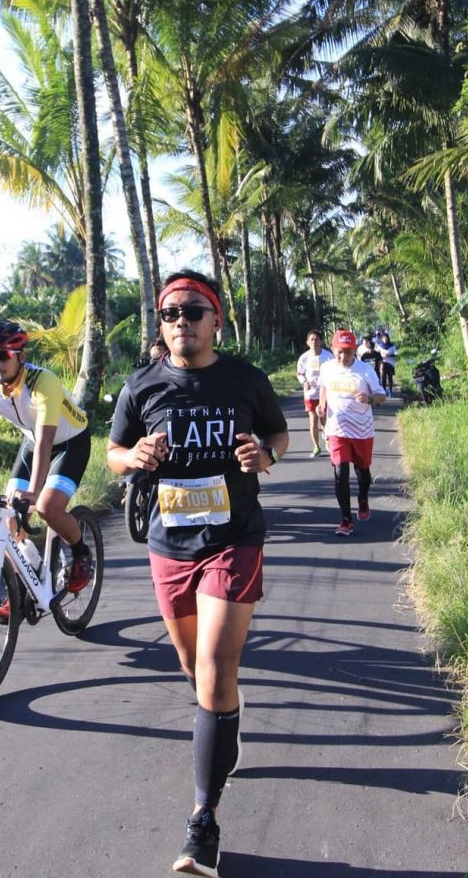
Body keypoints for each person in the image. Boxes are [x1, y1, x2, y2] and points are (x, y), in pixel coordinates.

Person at [107, 269, 288, 878]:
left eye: (192, 310)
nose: (180, 321)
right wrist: (132, 458)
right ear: (161, 325)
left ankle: (203, 821)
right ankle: (225, 725)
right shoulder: (141, 385)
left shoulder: (244, 379)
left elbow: (279, 433)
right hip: (170, 546)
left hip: (233, 539)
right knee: (194, 670)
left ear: (215, 319)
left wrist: (266, 455)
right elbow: (114, 453)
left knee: (213, 666)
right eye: (169, 313)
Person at [0, 320, 93, 598]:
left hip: (69, 442)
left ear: (21, 357)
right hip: (33, 442)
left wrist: (34, 492)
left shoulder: (43, 381)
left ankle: (81, 552)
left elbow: (47, 440)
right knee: (6, 514)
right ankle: (26, 584)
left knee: (48, 507)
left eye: (2, 355)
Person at [318, 329, 386, 536]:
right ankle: (346, 519)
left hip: (362, 430)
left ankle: (363, 497)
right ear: (332, 349)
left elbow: (381, 395)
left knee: (362, 471)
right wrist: (321, 407)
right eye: (339, 351)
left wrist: (370, 399)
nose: (343, 356)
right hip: (337, 429)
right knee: (340, 473)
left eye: (348, 352)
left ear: (354, 350)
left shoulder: (365, 370)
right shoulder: (327, 368)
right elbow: (323, 388)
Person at [296, 329, 334, 457]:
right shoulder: (304, 358)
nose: (314, 341)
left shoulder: (328, 356)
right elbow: (300, 373)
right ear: (307, 342)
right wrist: (304, 382)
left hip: (325, 393)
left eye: (316, 339)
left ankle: (328, 440)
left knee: (325, 419)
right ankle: (316, 447)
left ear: (320, 341)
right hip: (311, 394)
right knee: (313, 421)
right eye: (311, 339)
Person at [377, 331, 398, 397]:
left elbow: (396, 354)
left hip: (390, 363)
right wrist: (380, 357)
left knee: (390, 377)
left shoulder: (392, 346)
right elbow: (377, 354)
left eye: (386, 338)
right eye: (384, 338)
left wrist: (389, 355)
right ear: (382, 339)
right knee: (383, 377)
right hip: (383, 362)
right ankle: (383, 390)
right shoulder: (380, 346)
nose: (385, 340)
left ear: (388, 339)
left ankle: (391, 391)